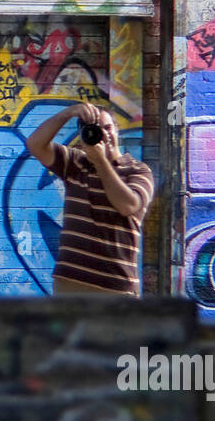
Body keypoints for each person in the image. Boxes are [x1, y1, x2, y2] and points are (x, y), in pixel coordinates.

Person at [24, 103, 155, 295]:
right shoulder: (75, 163)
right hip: (70, 282)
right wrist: (67, 112)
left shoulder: (138, 170)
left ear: (117, 130)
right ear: (84, 135)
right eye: (96, 129)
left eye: (108, 128)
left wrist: (100, 161)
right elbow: (34, 144)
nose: (104, 134)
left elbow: (127, 206)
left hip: (115, 287)